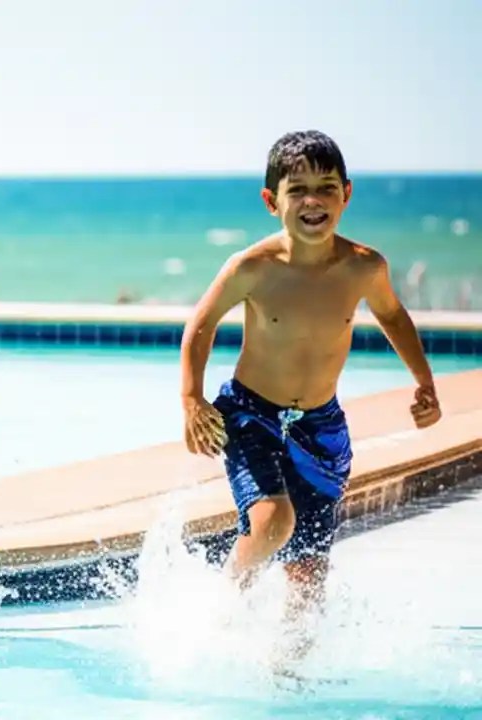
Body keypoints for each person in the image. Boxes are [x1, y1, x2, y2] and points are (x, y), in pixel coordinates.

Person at [179, 130, 442, 642]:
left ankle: (289, 675)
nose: (313, 200)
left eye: (325, 187)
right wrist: (191, 397)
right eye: (297, 189)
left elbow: (393, 315)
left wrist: (424, 382)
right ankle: (224, 608)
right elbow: (201, 324)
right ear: (271, 200)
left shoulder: (364, 266)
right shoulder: (252, 268)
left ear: (346, 193)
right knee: (274, 523)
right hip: (250, 414)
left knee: (308, 572)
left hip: (321, 428)